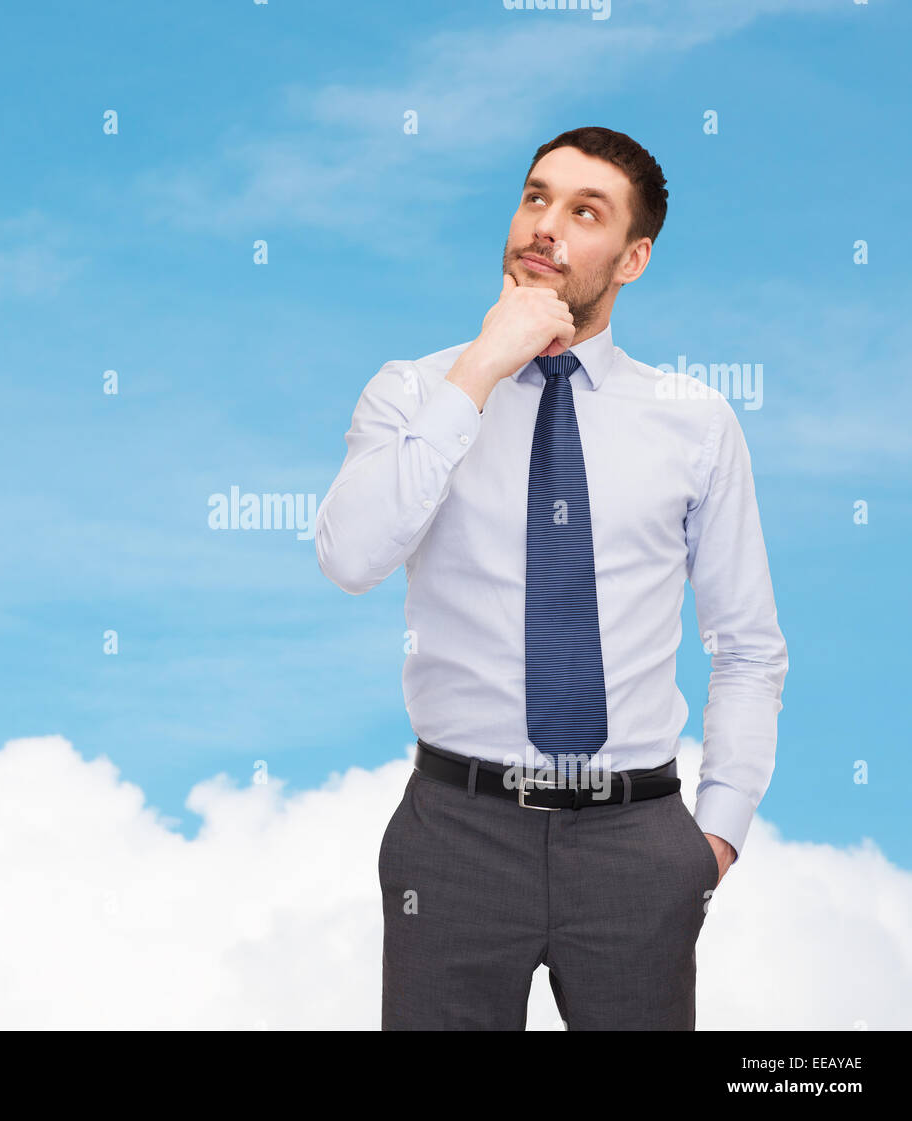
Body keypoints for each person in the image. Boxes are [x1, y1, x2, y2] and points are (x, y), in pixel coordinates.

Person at [313, 126, 787, 1030]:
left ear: (633, 258)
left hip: (636, 841)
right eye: (536, 197)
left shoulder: (696, 422)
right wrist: (484, 365)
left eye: (584, 211)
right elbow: (349, 556)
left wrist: (715, 836)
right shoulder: (416, 393)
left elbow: (749, 647)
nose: (546, 226)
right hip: (453, 835)